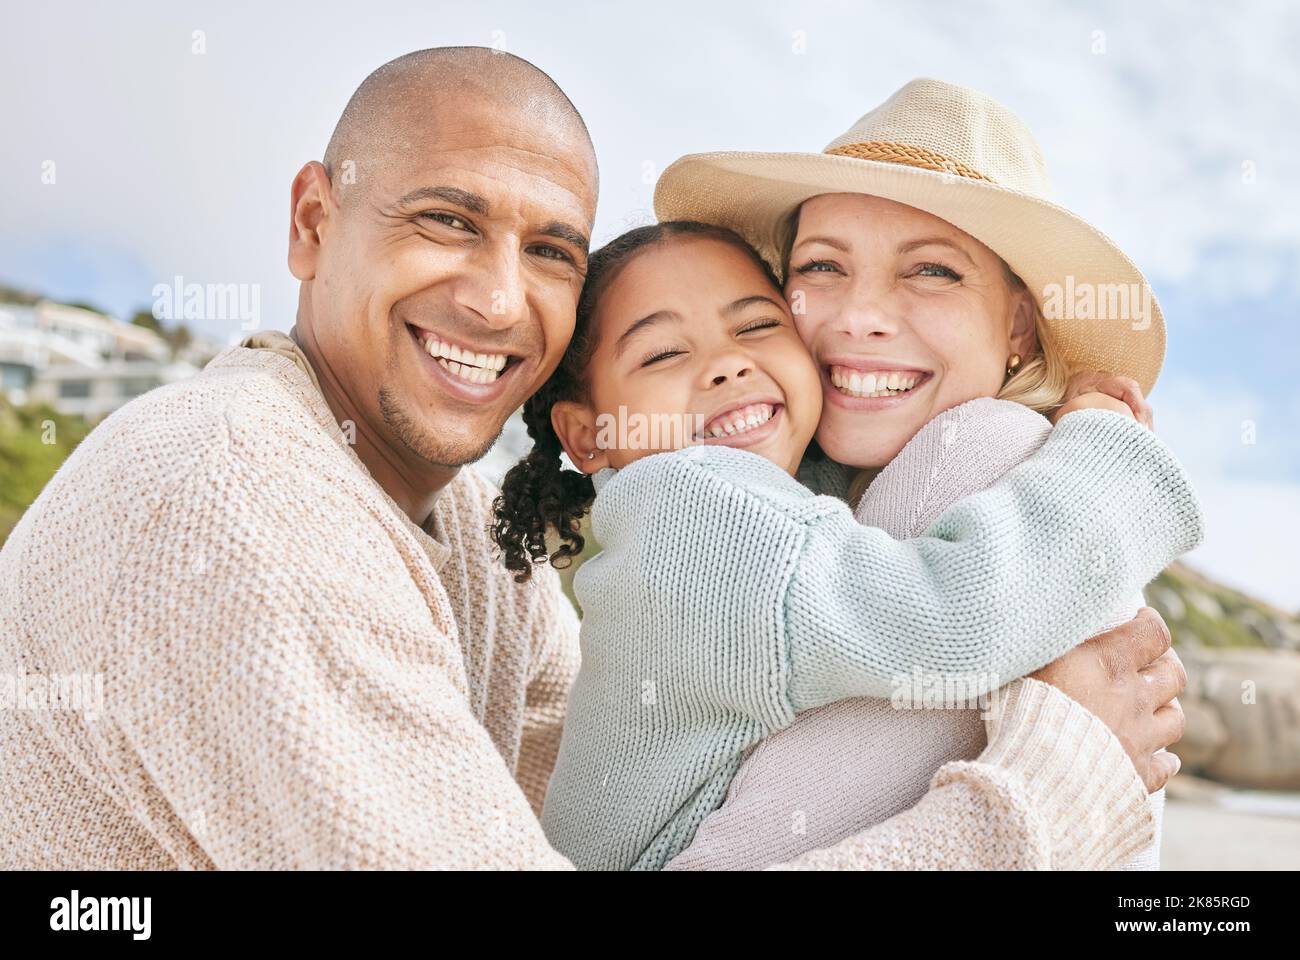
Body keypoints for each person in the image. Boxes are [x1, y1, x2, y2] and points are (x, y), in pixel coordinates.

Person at [0, 50, 1186, 871]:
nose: (497, 297)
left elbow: (580, 784)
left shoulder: (469, 537)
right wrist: (1044, 794)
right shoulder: (240, 499)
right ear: (312, 223)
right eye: (446, 219)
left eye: (553, 249)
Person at [493, 220, 1199, 870]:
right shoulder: (684, 507)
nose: (727, 366)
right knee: (1004, 453)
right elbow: (951, 619)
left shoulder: (784, 494)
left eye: (760, 325)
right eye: (664, 353)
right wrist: (1107, 456)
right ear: (588, 436)